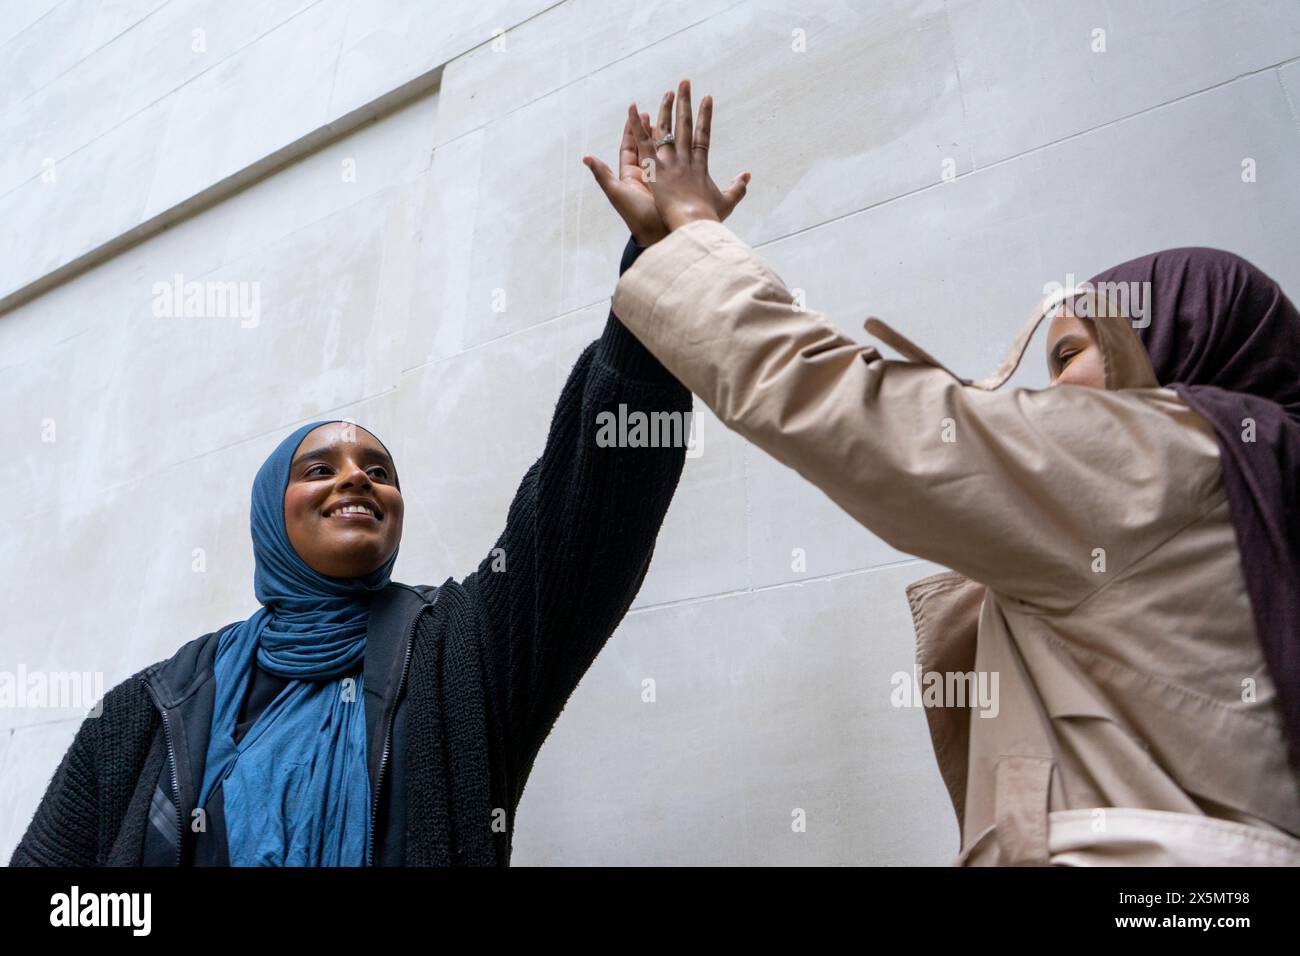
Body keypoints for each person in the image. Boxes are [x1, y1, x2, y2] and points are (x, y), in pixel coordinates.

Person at [588, 79, 1300, 864]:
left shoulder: (1163, 456)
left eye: (1071, 353)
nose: (1054, 387)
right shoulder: (1263, 486)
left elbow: (841, 405)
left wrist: (689, 231)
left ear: (1183, 339)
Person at [8, 190, 725, 864]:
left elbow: (587, 514)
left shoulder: (462, 652)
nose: (357, 477)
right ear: (269, 515)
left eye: (379, 470)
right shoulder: (149, 709)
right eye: (319, 469)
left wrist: (657, 273)